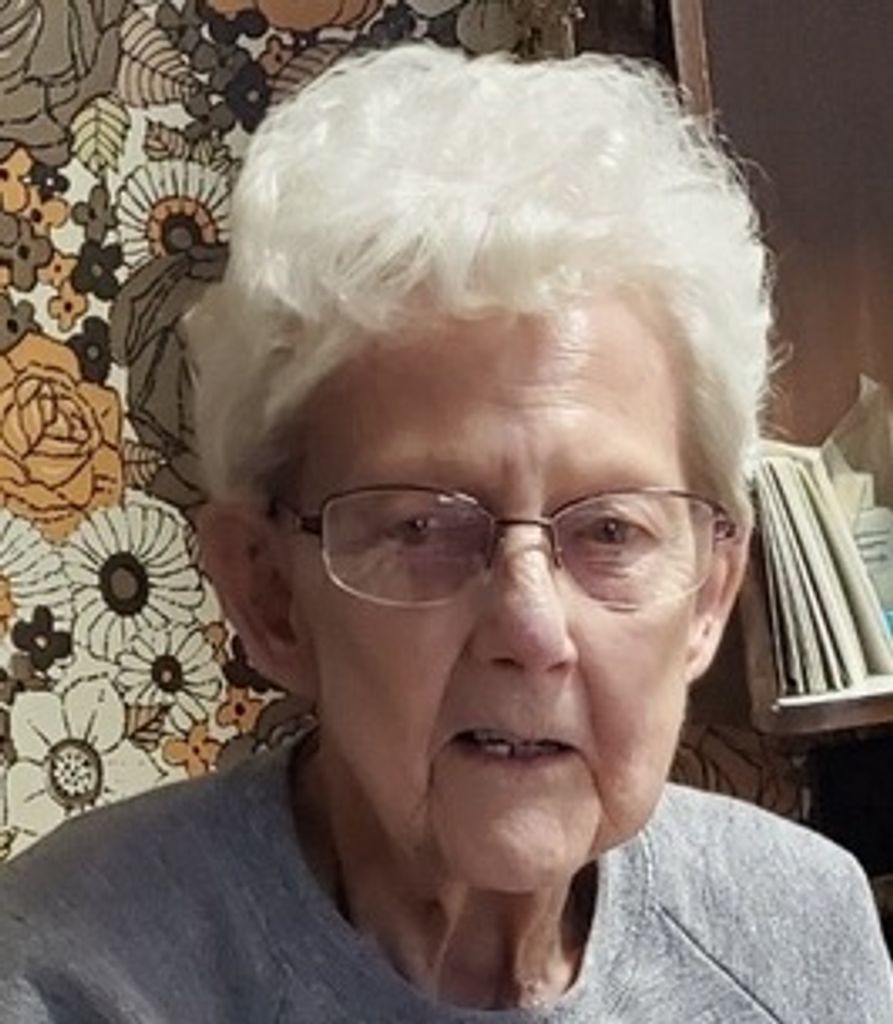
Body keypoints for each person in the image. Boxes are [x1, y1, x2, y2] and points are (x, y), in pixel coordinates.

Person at [0, 44, 890, 1023]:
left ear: (711, 593)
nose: (531, 629)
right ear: (268, 594)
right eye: (422, 525)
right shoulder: (67, 979)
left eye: (610, 530)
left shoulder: (800, 935)